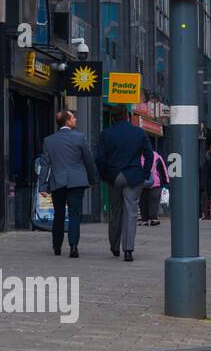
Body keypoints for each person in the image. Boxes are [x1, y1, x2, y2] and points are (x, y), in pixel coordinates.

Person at [40, 110, 99, 257]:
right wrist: (92, 179)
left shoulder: (49, 140)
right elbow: (89, 160)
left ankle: (57, 246)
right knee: (74, 215)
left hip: (57, 182)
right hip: (77, 182)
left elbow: (45, 165)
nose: (76, 119)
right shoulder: (80, 138)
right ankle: (73, 246)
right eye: (73, 118)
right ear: (67, 121)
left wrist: (42, 186)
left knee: (58, 215)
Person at [96, 115, 153, 261]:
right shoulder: (139, 132)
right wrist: (144, 174)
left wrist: (105, 175)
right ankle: (128, 249)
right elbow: (149, 155)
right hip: (133, 176)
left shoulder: (106, 134)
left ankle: (114, 246)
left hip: (114, 176)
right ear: (127, 117)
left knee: (115, 212)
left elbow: (100, 158)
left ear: (114, 119)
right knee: (131, 212)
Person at [142, 149, 170, 226]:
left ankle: (145, 220)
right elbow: (163, 168)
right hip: (155, 182)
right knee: (154, 201)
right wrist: (166, 181)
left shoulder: (137, 156)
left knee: (143, 201)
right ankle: (153, 219)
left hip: (142, 183)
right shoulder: (157, 156)